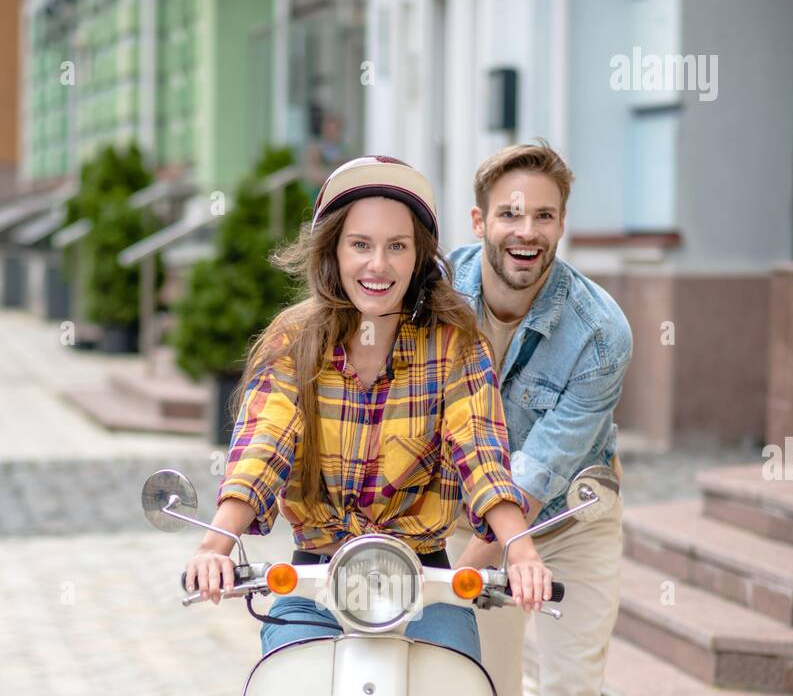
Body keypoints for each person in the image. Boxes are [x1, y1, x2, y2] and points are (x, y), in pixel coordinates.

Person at [184, 155, 553, 665]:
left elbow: (481, 448)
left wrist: (522, 550)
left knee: (457, 694)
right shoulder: (294, 341)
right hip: (316, 581)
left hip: (423, 582)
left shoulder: (455, 346)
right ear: (332, 251)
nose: (378, 265)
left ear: (419, 257)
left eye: (397, 247)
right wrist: (215, 544)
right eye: (360, 244)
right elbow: (264, 443)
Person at [448, 139, 642, 696]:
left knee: (572, 691)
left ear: (563, 224)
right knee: (483, 694)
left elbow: (533, 474)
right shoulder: (430, 293)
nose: (526, 232)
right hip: (462, 512)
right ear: (480, 221)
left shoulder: (601, 331)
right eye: (511, 214)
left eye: (544, 216)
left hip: (570, 517)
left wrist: (491, 546)